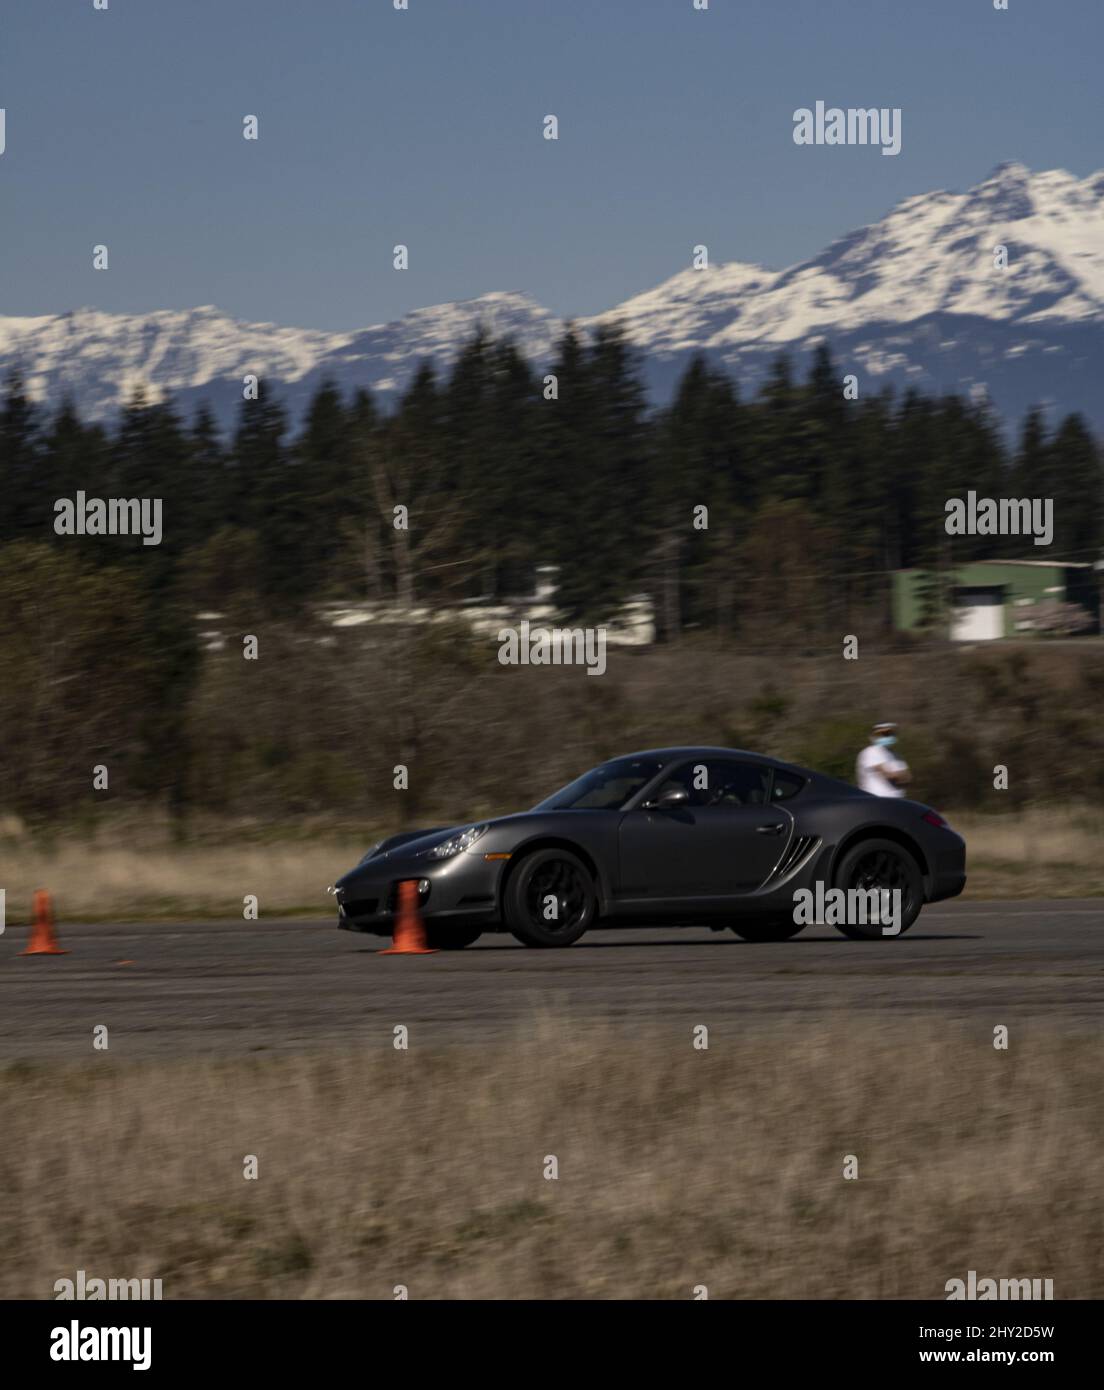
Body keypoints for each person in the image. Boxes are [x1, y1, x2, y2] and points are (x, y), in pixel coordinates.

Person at [856, 722, 911, 797]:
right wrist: (898, 775)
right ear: (873, 736)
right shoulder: (871, 751)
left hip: (897, 799)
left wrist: (897, 776)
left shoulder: (896, 754)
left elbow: (907, 778)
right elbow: (888, 775)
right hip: (877, 800)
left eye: (889, 733)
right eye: (883, 734)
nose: (887, 736)